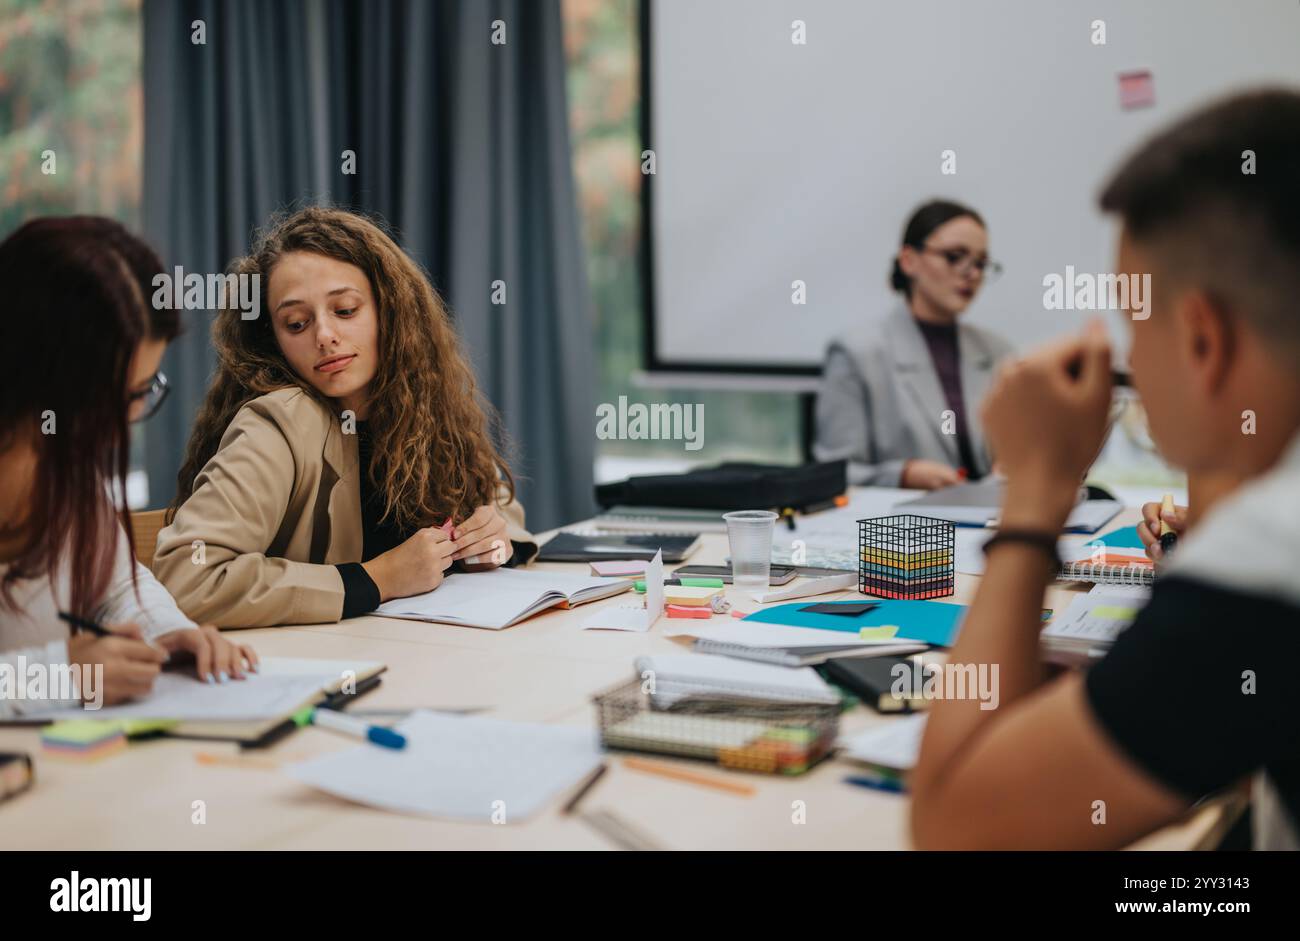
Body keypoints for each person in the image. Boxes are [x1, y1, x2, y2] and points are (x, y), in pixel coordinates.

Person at [910, 89, 1300, 850]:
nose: (1129, 361)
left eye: (1134, 323)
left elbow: (956, 827)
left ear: (1201, 339)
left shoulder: (1269, 561)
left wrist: (1036, 496)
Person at [155, 207, 537, 628]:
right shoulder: (276, 422)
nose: (324, 336)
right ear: (273, 338)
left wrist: (495, 544)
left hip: (439, 655)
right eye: (296, 323)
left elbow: (503, 514)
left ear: (391, 311)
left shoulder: (430, 402)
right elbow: (187, 577)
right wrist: (376, 579)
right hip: (330, 672)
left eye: (345, 311)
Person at [0, 217, 256, 716]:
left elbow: (115, 586)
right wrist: (66, 676)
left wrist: (166, 632)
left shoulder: (65, 460)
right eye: (117, 397)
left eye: (142, 393)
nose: (127, 422)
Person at [814, 200, 1015, 489]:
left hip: (992, 521)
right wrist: (902, 474)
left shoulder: (998, 351)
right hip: (905, 527)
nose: (971, 273)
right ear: (909, 260)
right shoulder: (857, 351)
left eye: (981, 263)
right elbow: (833, 473)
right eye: (955, 256)